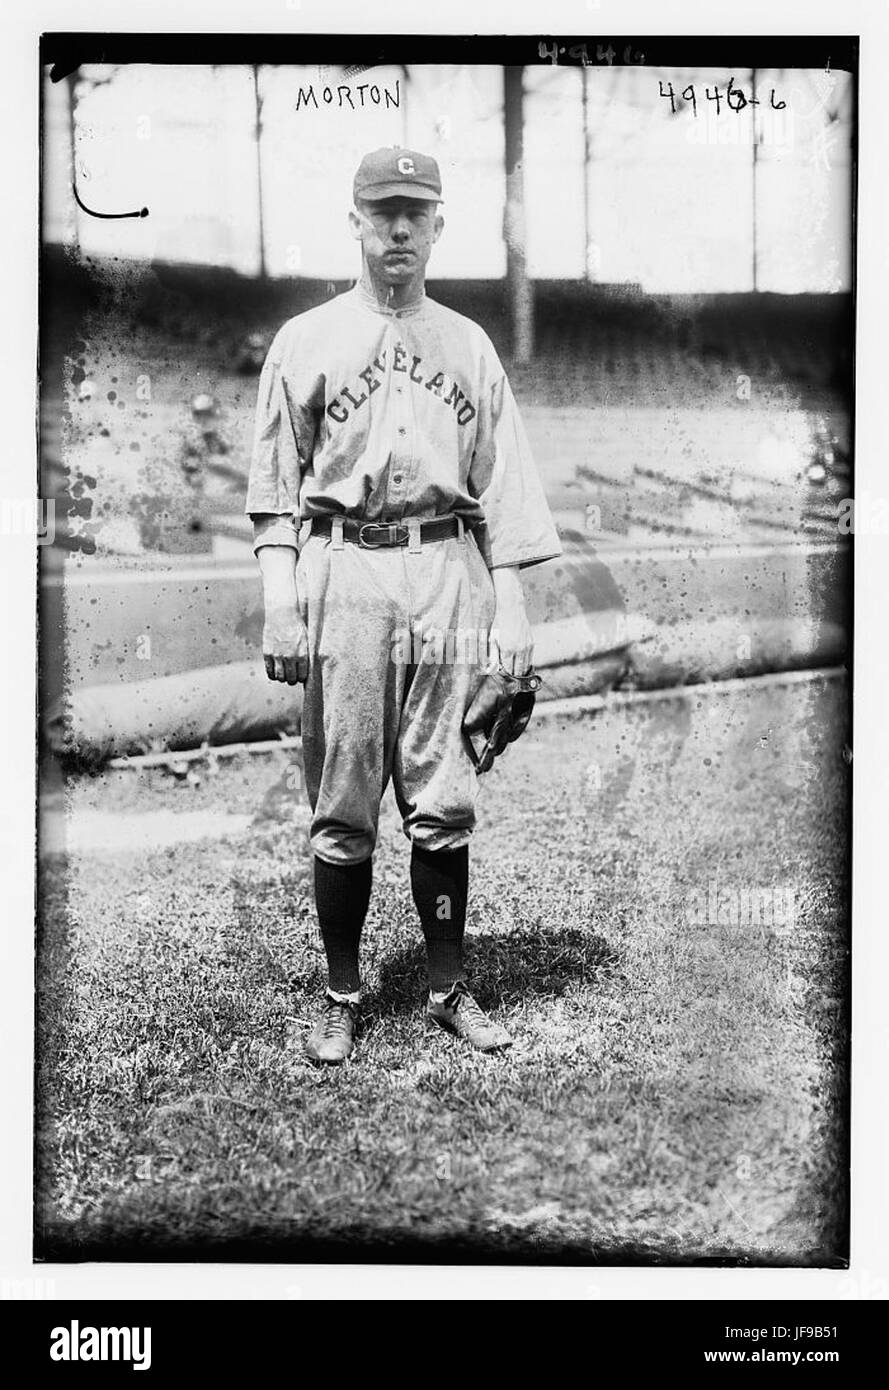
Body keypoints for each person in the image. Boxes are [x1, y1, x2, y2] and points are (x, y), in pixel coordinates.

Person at [245, 146, 561, 1063]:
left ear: (437, 225)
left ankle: (447, 986)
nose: (396, 228)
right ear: (354, 220)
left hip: (444, 569)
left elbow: (501, 486)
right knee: (343, 795)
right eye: (380, 211)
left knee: (443, 791)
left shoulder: (467, 343)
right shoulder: (305, 338)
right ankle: (342, 992)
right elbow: (274, 487)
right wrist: (278, 594)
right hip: (342, 569)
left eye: (413, 213)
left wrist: (512, 603)